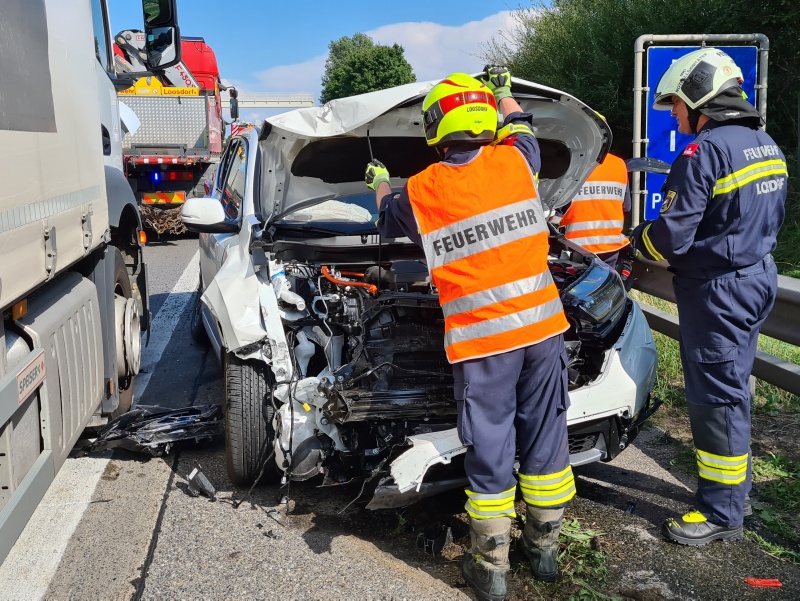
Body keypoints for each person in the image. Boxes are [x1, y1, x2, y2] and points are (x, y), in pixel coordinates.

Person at [365, 67, 575, 600]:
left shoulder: (424, 190)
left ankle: (491, 566)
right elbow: (521, 124)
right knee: (547, 433)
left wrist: (379, 179)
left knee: (491, 442)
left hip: (484, 342)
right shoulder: (517, 160)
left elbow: (389, 215)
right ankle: (545, 551)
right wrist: (505, 93)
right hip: (544, 328)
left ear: (436, 126)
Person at [631, 47, 787, 546]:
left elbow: (671, 238)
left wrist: (637, 240)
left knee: (716, 399)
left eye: (677, 104)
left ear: (701, 96)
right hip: (757, 275)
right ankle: (731, 495)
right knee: (733, 392)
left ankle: (721, 513)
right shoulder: (765, 144)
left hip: (718, 292)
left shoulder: (705, 152)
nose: (675, 115)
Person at [558, 150, 634, 285]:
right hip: (611, 246)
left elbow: (557, 208)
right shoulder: (619, 164)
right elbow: (626, 207)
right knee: (604, 295)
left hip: (578, 248)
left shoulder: (571, 164)